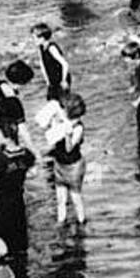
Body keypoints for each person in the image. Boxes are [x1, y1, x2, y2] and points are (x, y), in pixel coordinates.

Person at [0, 106, 35, 257]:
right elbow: (33, 172)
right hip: (17, 199)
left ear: (4, 136)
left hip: (0, 202)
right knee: (18, 232)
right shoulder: (26, 155)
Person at [44, 93, 88, 226]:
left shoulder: (78, 128)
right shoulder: (62, 122)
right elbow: (51, 138)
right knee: (60, 199)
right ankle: (61, 221)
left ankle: (81, 221)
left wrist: (68, 135)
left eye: (63, 109)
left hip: (73, 166)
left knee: (76, 197)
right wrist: (53, 123)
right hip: (59, 164)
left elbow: (69, 148)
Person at [32, 23, 72, 100]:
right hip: (52, 79)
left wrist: (63, 81)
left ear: (42, 38)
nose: (33, 40)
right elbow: (42, 64)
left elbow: (65, 64)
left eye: (35, 38)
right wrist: (47, 80)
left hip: (61, 77)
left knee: (62, 100)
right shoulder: (40, 48)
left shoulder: (51, 48)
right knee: (51, 99)